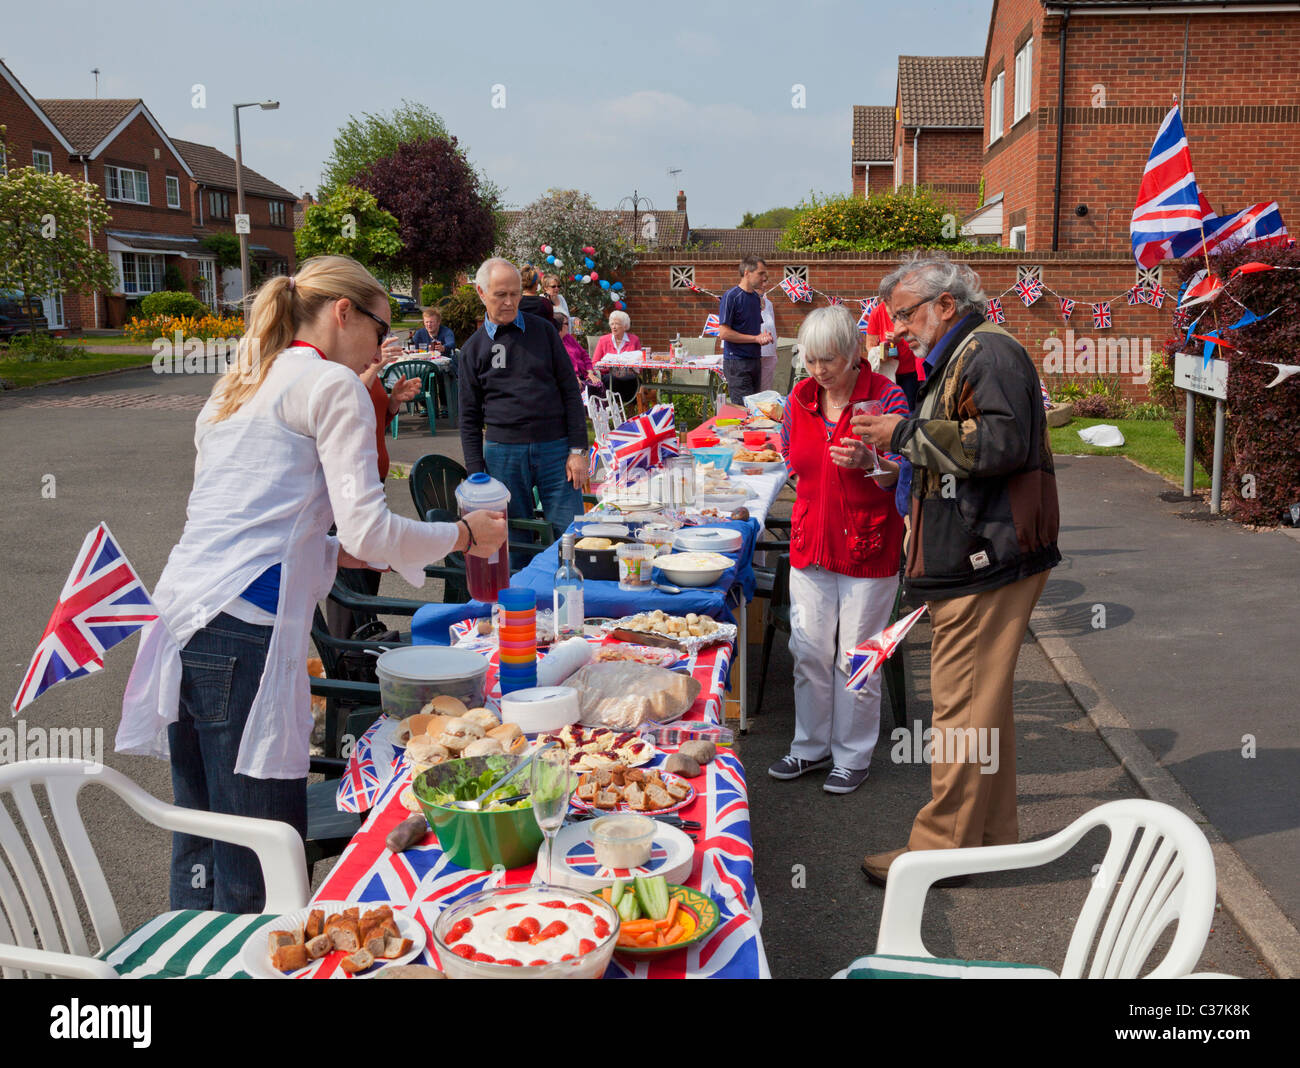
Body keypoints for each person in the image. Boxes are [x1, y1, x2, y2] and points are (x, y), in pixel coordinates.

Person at [118, 255, 507, 913]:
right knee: (264, 860)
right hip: (243, 633)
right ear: (343, 312)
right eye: (380, 327)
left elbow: (271, 528)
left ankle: (191, 957)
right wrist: (465, 538)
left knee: (203, 843)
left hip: (180, 620)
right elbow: (368, 532)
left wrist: (349, 553)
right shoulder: (332, 386)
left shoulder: (238, 383)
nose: (381, 347)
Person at [853, 254, 1060, 885]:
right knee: (980, 709)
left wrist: (902, 433)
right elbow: (967, 450)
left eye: (907, 315)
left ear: (946, 304)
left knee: (960, 712)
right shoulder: (970, 352)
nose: (899, 330)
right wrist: (901, 454)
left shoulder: (985, 353)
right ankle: (988, 840)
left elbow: (997, 444)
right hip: (983, 553)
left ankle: (939, 852)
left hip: (987, 556)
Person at [768, 305, 909, 795]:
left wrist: (873, 462)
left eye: (829, 360)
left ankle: (852, 755)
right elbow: (789, 453)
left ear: (854, 353)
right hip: (812, 542)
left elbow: (905, 470)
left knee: (857, 657)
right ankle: (810, 747)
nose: (819, 371)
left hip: (869, 544)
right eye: (810, 360)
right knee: (807, 651)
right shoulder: (800, 398)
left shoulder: (885, 397)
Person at [458, 257, 588, 542]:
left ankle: (568, 585)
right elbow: (468, 419)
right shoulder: (472, 349)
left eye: (514, 294)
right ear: (481, 293)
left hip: (556, 450)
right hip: (503, 453)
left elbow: (570, 391)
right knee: (513, 539)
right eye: (500, 294)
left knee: (568, 537)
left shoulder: (544, 332)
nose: (509, 302)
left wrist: (578, 450)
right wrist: (476, 474)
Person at [325, 338, 421, 640]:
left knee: (368, 573)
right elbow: (345, 406)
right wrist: (374, 366)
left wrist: (392, 402)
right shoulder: (338, 367)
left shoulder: (367, 367)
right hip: (348, 486)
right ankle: (345, 658)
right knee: (350, 580)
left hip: (371, 484)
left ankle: (362, 647)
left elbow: (372, 418)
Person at [716, 255, 774, 405]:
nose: (764, 277)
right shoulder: (731, 297)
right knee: (743, 410)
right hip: (737, 363)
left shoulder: (756, 298)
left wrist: (763, 337)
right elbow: (724, 333)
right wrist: (755, 339)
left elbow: (752, 330)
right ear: (747, 273)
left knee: (754, 409)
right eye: (761, 273)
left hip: (755, 360)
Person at [864, 300, 922, 412]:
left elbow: (919, 339)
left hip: (909, 371)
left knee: (909, 410)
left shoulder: (908, 308)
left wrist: (900, 340)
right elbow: (869, 345)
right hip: (887, 372)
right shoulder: (877, 313)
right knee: (888, 409)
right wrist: (881, 351)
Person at [410, 306, 457, 417]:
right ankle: (425, 405)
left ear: (438, 322)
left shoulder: (446, 332)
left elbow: (452, 344)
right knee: (420, 375)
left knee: (442, 376)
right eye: (426, 322)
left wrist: (443, 347)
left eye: (431, 322)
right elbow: (413, 347)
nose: (429, 325)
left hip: (443, 365)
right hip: (425, 364)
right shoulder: (420, 334)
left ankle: (444, 405)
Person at [591, 310, 641, 406]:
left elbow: (640, 363)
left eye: (617, 324)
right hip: (609, 375)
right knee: (612, 380)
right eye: (612, 324)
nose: (613, 327)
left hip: (629, 375)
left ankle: (629, 410)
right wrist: (607, 365)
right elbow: (594, 363)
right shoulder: (603, 340)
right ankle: (616, 410)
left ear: (625, 326)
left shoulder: (634, 340)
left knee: (635, 381)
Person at [557, 312, 604, 396]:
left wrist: (590, 372)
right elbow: (561, 365)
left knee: (599, 385)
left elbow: (584, 355)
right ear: (559, 325)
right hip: (571, 377)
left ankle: (600, 409)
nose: (569, 326)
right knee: (586, 390)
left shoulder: (569, 337)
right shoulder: (555, 342)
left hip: (584, 374)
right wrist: (574, 377)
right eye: (566, 323)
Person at [758, 290, 778, 393]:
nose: (764, 286)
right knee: (751, 392)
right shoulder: (742, 302)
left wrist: (774, 351)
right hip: (751, 355)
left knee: (765, 392)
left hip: (769, 354)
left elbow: (772, 327)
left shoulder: (769, 304)